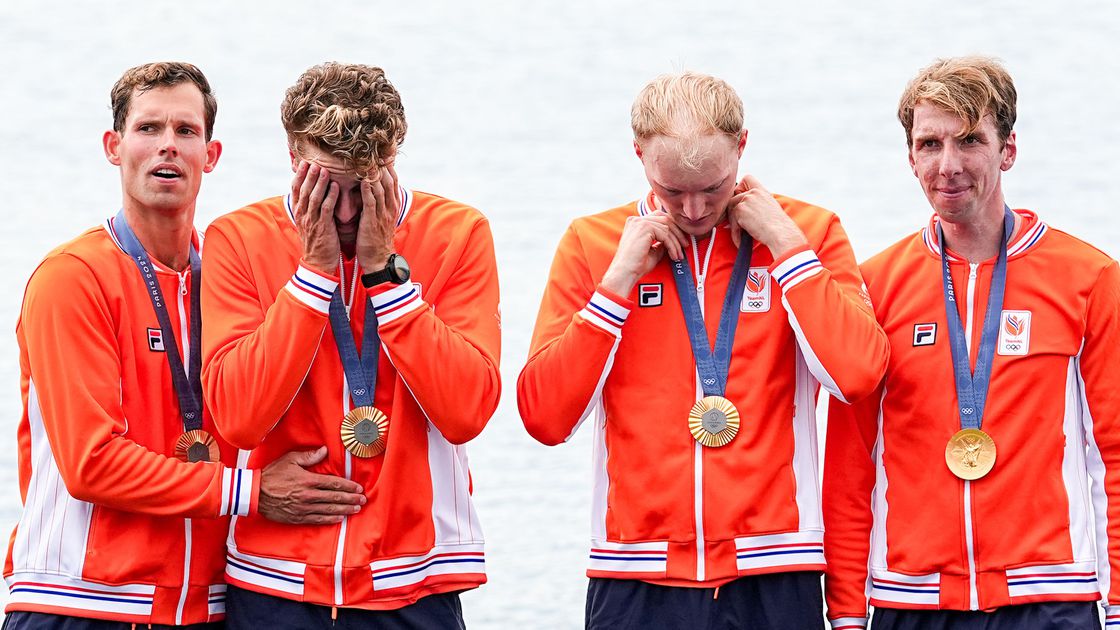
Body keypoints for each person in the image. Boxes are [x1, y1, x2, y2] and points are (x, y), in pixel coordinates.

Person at [517, 71, 889, 629]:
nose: (692, 210)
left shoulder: (809, 230)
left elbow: (858, 375)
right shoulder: (593, 244)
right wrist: (616, 284)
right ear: (638, 154)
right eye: (672, 191)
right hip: (634, 573)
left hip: (775, 568)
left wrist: (788, 249)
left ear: (741, 147)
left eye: (713, 187)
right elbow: (545, 418)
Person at [2, 62, 362, 630]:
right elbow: (90, 464)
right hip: (78, 604)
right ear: (113, 147)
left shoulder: (226, 279)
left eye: (185, 132)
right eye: (149, 129)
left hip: (204, 609)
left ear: (210, 156)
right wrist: (248, 492)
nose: (167, 146)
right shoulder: (73, 276)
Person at [823, 56, 1120, 630]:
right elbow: (849, 464)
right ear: (910, 157)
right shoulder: (874, 286)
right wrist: (845, 613)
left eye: (969, 141)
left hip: (1051, 595)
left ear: (1008, 149)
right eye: (930, 144)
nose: (949, 165)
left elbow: (1113, 453)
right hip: (910, 599)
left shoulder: (1089, 279)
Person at [200, 62, 501, 629]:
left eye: (362, 189)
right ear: (293, 157)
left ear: (392, 160)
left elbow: (465, 413)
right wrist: (312, 274)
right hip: (275, 581)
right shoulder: (237, 239)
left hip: (415, 580)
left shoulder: (458, 232)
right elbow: (239, 418)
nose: (344, 214)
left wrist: (385, 274)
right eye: (327, 187)